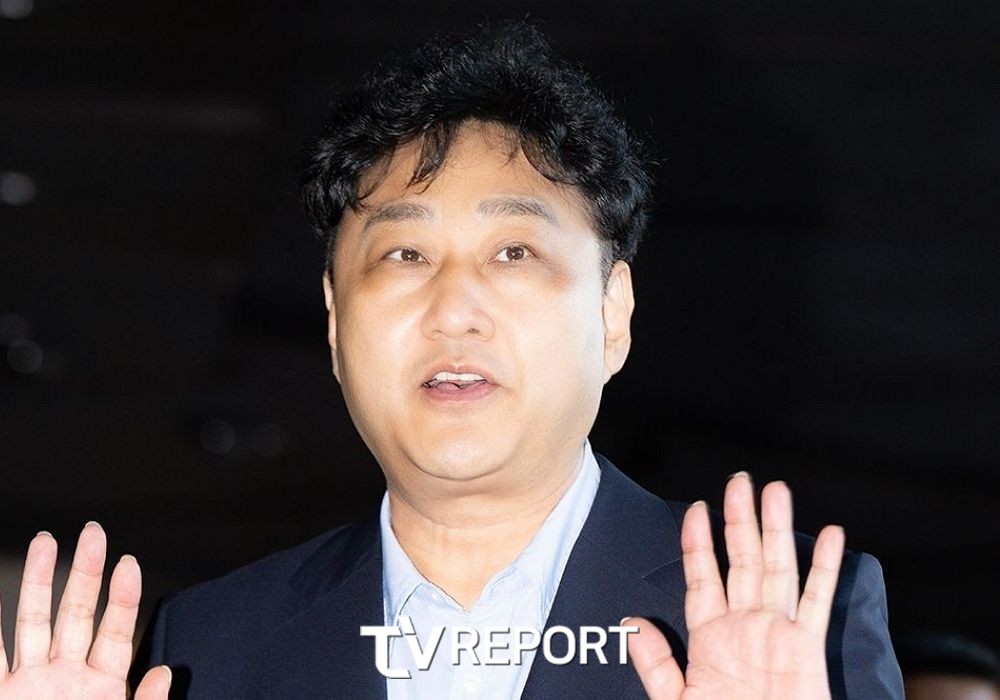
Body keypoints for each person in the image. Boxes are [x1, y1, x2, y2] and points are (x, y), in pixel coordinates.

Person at [0, 22, 903, 699]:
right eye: (404, 254)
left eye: (514, 252)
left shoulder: (788, 619)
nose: (454, 308)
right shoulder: (212, 646)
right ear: (333, 322)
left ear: (612, 314)